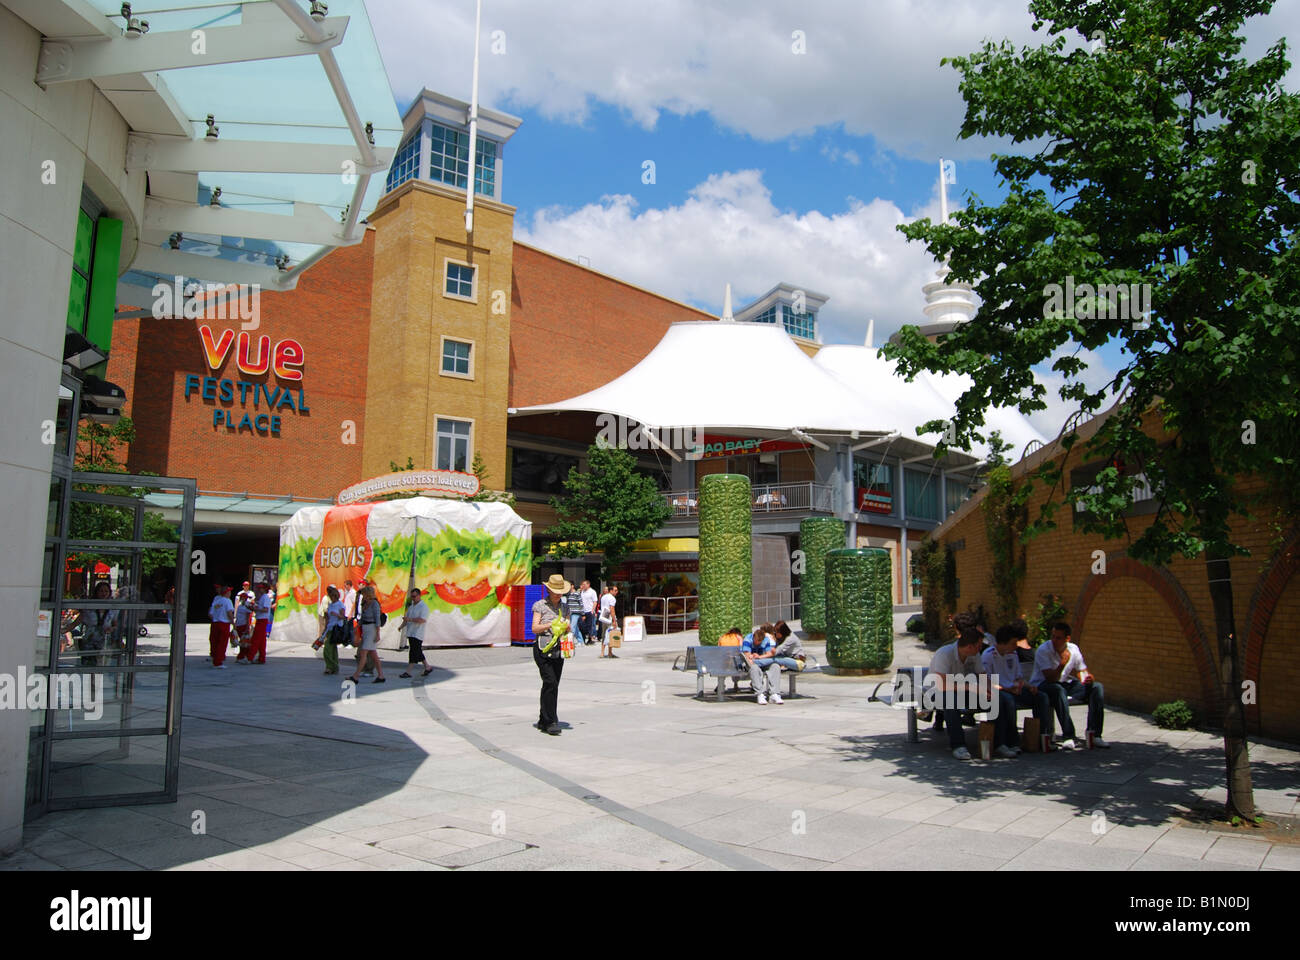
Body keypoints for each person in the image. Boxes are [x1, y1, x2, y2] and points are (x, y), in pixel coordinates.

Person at [1030, 622, 1109, 749]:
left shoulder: (1073, 649)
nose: (1054, 640)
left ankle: (1095, 734)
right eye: (1053, 636)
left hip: (1064, 683)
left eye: (1058, 638)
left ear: (1067, 639)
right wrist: (1062, 664)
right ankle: (1068, 735)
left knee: (1097, 687)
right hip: (1043, 685)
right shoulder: (1043, 650)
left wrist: (1088, 678)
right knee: (1058, 690)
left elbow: (1082, 670)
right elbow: (1050, 678)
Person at [980, 625, 1052, 757]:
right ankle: (1009, 742)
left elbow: (1019, 677)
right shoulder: (988, 656)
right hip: (998, 691)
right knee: (1007, 700)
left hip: (1013, 689)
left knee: (1041, 697)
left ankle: (1042, 736)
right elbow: (987, 683)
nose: (1015, 646)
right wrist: (1008, 689)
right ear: (1003, 643)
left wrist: (1028, 686)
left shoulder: (1013, 654)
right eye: (1013, 643)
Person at [927, 627, 985, 759]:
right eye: (979, 645)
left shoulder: (974, 655)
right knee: (950, 700)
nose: (981, 648)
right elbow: (941, 685)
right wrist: (970, 687)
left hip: (961, 690)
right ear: (970, 646)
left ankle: (1001, 742)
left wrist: (988, 689)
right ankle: (958, 745)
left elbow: (982, 674)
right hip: (937, 692)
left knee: (999, 699)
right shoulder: (945, 653)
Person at [531, 574, 571, 735]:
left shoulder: (565, 607)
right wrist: (550, 625)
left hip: (559, 650)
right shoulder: (540, 605)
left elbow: (569, 627)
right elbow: (534, 628)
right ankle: (551, 721)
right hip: (543, 649)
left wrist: (565, 627)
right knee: (550, 682)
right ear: (548, 589)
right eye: (555, 591)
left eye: (560, 591)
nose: (558, 594)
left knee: (552, 685)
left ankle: (543, 718)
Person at [348, 585, 386, 684]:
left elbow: (377, 619)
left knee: (363, 653)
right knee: (373, 653)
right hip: (365, 628)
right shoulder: (364, 603)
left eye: (364, 594)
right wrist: (358, 626)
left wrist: (378, 633)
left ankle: (356, 676)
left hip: (372, 628)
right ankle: (381, 675)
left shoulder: (374, 604)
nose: (362, 596)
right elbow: (363, 617)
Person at [742, 623, 783, 704]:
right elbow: (747, 656)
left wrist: (760, 656)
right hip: (751, 663)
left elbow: (769, 654)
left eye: (759, 642)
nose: (757, 643)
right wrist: (753, 656)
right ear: (753, 637)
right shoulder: (748, 639)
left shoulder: (766, 640)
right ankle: (760, 694)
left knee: (775, 666)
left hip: (762, 661)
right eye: (756, 641)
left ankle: (774, 694)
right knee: (754, 668)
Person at [398, 587, 433, 679]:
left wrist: (409, 619)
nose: (413, 598)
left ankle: (408, 671)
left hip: (418, 633)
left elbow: (422, 620)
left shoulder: (423, 607)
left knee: (413, 652)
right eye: (412, 597)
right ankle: (427, 667)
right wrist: (401, 626)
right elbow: (407, 618)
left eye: (414, 596)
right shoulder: (411, 606)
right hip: (411, 632)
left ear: (419, 595)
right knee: (417, 651)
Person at [318, 585, 346, 675]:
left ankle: (331, 666)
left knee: (328, 648)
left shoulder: (340, 605)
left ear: (335, 596)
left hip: (336, 628)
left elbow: (343, 617)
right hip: (330, 628)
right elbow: (328, 617)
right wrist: (325, 628)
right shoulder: (331, 605)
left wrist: (336, 615)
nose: (331, 598)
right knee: (332, 648)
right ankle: (333, 666)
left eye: (332, 596)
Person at [244, 581, 273, 665]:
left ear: (264, 589)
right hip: (261, 619)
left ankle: (250, 657)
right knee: (261, 641)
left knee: (255, 639)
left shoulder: (265, 597)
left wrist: (255, 609)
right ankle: (261, 658)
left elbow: (266, 609)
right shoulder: (263, 597)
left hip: (262, 620)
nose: (259, 589)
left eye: (261, 588)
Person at [207, 583, 234, 668]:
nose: (230, 593)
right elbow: (229, 613)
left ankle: (215, 659)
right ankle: (218, 662)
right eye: (229, 592)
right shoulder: (228, 601)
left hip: (215, 623)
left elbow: (210, 613)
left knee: (215, 642)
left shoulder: (217, 601)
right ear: (226, 593)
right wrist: (233, 622)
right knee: (222, 643)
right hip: (224, 624)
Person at [598, 585, 619, 657]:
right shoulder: (612, 598)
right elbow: (612, 609)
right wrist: (614, 620)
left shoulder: (603, 597)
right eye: (615, 590)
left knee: (604, 634)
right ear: (611, 591)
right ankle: (610, 652)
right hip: (609, 617)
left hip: (603, 617)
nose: (617, 592)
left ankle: (602, 652)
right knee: (611, 634)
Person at [564, 584, 585, 648]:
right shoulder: (568, 594)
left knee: (572, 627)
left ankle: (571, 642)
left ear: (572, 585)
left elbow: (581, 603)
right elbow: (567, 603)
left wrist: (582, 613)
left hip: (576, 612)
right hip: (569, 613)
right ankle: (581, 641)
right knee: (576, 628)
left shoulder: (577, 594)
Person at [579, 579, 598, 645]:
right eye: (582, 584)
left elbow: (595, 601)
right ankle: (583, 639)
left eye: (584, 584)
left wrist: (593, 610)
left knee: (590, 626)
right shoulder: (582, 592)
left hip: (589, 611)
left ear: (588, 584)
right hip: (583, 611)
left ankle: (590, 639)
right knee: (582, 626)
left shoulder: (592, 592)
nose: (583, 586)